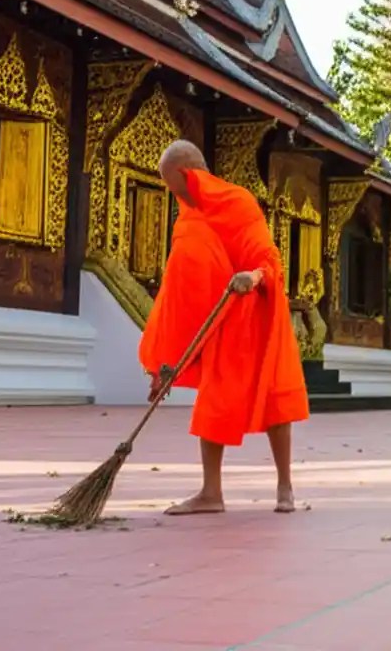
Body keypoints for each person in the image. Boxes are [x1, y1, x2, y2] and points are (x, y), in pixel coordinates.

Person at [139, 139, 310, 515]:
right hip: (221, 324)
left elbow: (269, 258)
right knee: (211, 404)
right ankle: (211, 493)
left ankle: (285, 486)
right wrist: (164, 365)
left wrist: (253, 276)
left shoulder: (238, 203)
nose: (174, 194)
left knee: (274, 399)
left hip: (256, 314)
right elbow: (178, 294)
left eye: (173, 185)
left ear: (186, 174)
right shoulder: (188, 219)